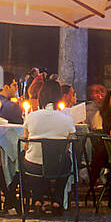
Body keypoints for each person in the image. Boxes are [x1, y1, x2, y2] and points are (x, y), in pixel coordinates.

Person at [20, 78, 76, 212]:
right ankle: (57, 199)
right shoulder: (67, 119)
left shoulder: (31, 117)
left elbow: (25, 145)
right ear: (59, 97)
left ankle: (37, 198)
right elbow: (66, 148)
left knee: (28, 158)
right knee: (66, 160)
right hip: (58, 166)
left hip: (34, 166)